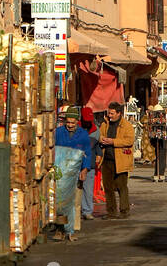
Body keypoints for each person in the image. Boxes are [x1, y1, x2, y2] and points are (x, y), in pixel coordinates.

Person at [55, 107, 94, 239]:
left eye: (73, 122)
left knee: (75, 202)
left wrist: (85, 169)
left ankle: (72, 229)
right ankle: (60, 229)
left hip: (76, 172)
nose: (70, 125)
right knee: (60, 202)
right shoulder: (58, 132)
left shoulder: (83, 135)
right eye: (68, 122)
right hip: (61, 173)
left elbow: (87, 153)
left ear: (77, 121)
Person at [97, 101, 135, 219]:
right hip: (107, 160)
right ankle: (111, 211)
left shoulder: (126, 125)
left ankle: (124, 210)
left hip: (121, 160)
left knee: (121, 186)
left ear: (119, 113)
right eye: (109, 113)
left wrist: (113, 142)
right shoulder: (105, 124)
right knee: (108, 187)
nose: (109, 115)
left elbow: (129, 141)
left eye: (112, 113)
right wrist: (102, 139)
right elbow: (99, 135)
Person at [147, 105, 167, 182]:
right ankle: (160, 174)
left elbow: (150, 127)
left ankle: (157, 174)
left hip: (156, 137)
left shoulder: (152, 117)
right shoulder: (166, 116)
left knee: (158, 155)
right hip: (163, 137)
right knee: (161, 155)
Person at [79, 106, 97, 220]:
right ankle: (77, 211)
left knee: (88, 190)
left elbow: (96, 146)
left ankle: (87, 211)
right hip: (75, 163)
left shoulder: (95, 130)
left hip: (89, 163)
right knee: (75, 189)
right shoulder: (76, 128)